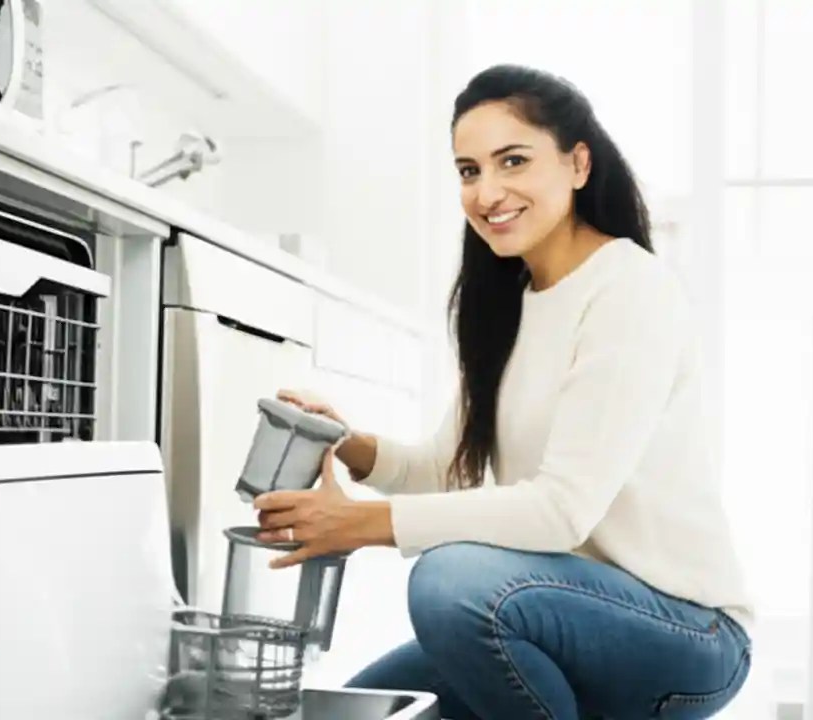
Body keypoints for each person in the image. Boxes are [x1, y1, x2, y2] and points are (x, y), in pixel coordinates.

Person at [251, 64, 753, 720]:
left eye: (512, 161)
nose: (488, 192)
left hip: (685, 636)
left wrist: (361, 525)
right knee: (354, 711)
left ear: (578, 164)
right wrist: (349, 446)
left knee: (448, 582)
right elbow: (443, 469)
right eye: (468, 171)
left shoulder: (629, 291)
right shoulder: (508, 304)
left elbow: (562, 512)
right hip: (557, 614)